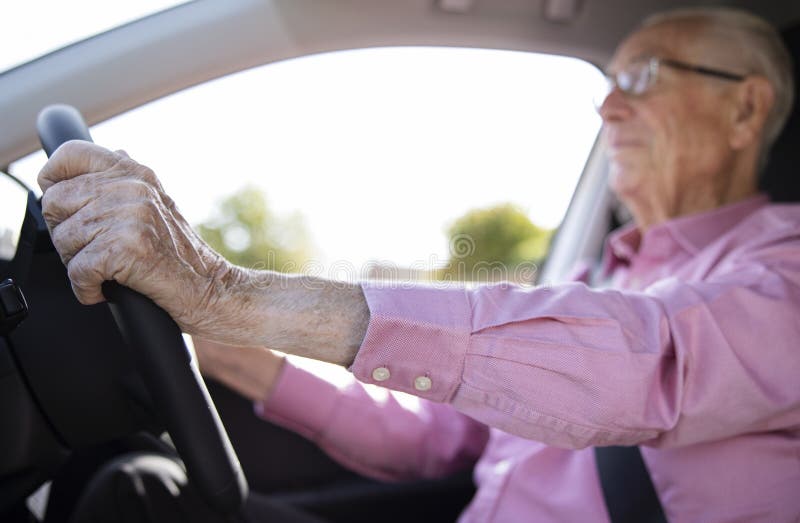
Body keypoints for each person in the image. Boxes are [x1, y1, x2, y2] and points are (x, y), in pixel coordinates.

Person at [37, 6, 799, 522]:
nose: (608, 109)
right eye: (609, 85)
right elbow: (437, 443)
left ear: (745, 109)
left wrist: (228, 292)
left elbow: (649, 360)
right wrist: (233, 352)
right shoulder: (599, 281)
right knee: (133, 493)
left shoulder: (783, 269)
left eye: (642, 78)